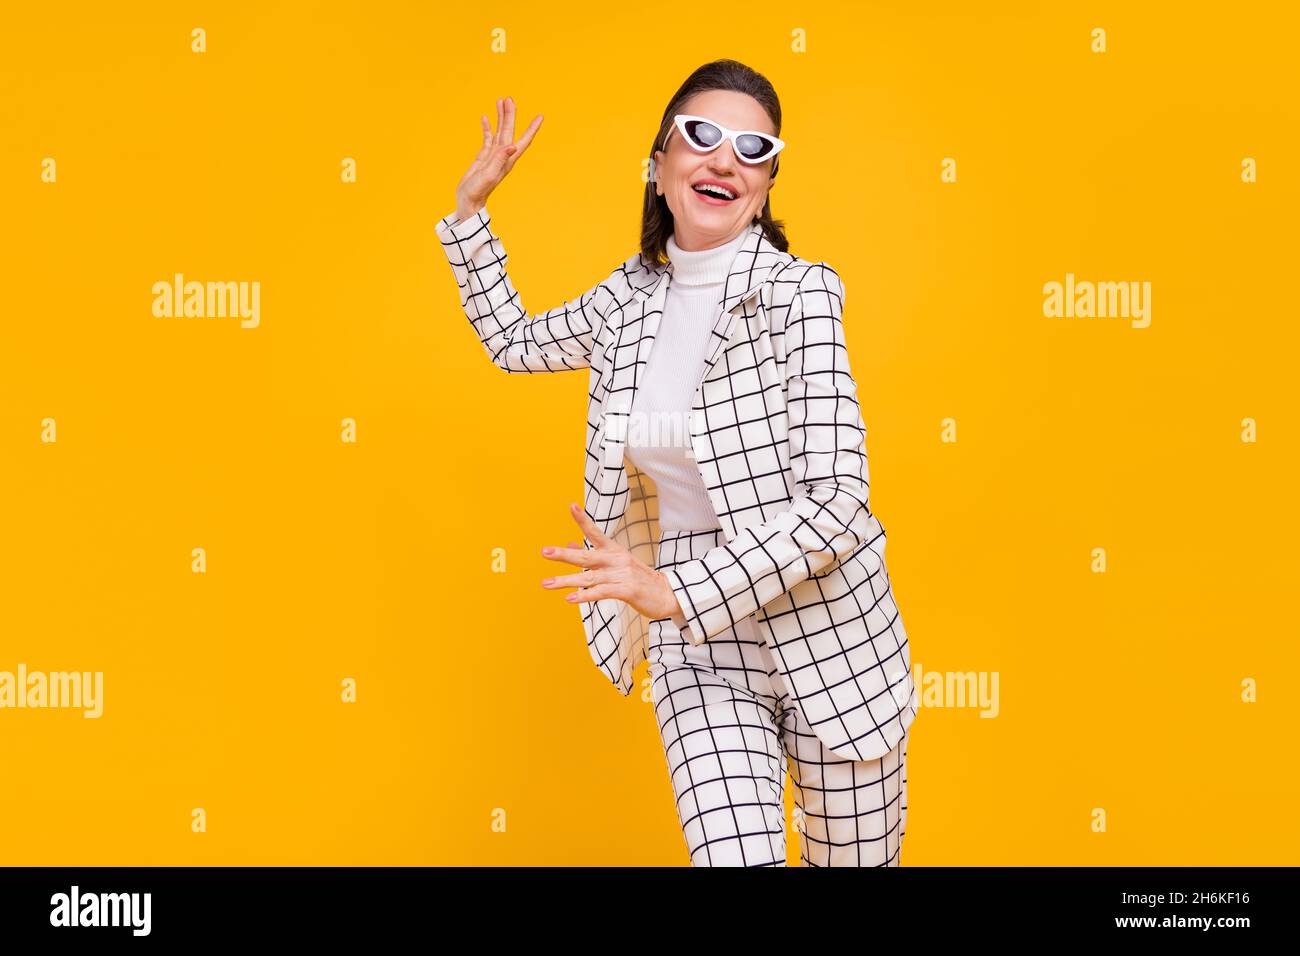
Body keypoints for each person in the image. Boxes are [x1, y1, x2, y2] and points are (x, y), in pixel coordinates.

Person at [435, 59, 916, 867]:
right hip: (696, 639)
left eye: (753, 147)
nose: (724, 158)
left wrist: (674, 589)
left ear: (764, 184)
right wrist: (469, 213)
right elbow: (514, 343)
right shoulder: (629, 299)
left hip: (829, 631)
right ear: (659, 167)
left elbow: (837, 503)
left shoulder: (803, 295)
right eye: (701, 136)